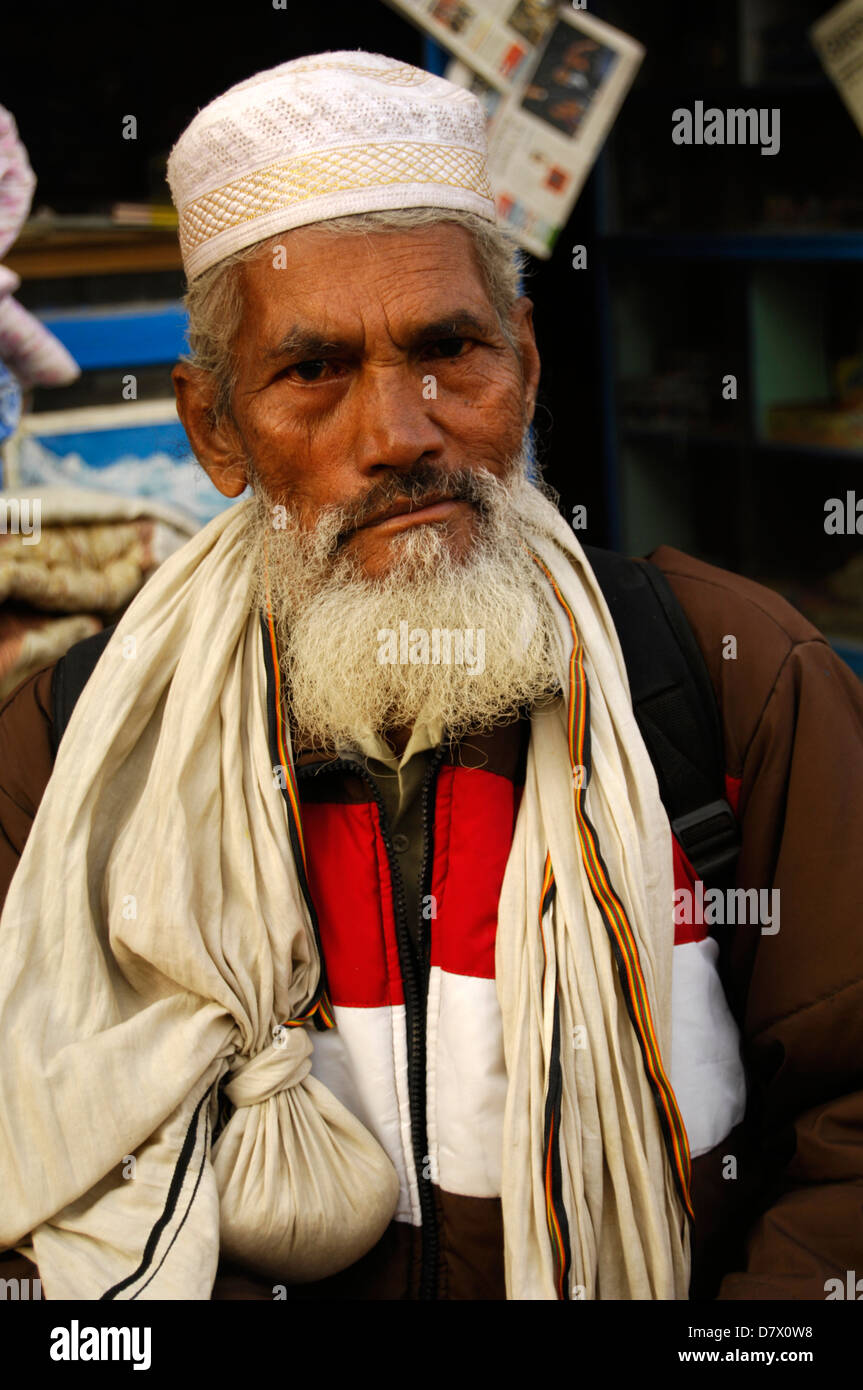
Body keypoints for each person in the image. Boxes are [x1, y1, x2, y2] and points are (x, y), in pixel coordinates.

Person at [1, 50, 862, 1302]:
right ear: (215, 431)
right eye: (312, 372)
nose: (400, 434)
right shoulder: (73, 751)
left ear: (520, 358)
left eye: (446, 349)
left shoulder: (735, 686)